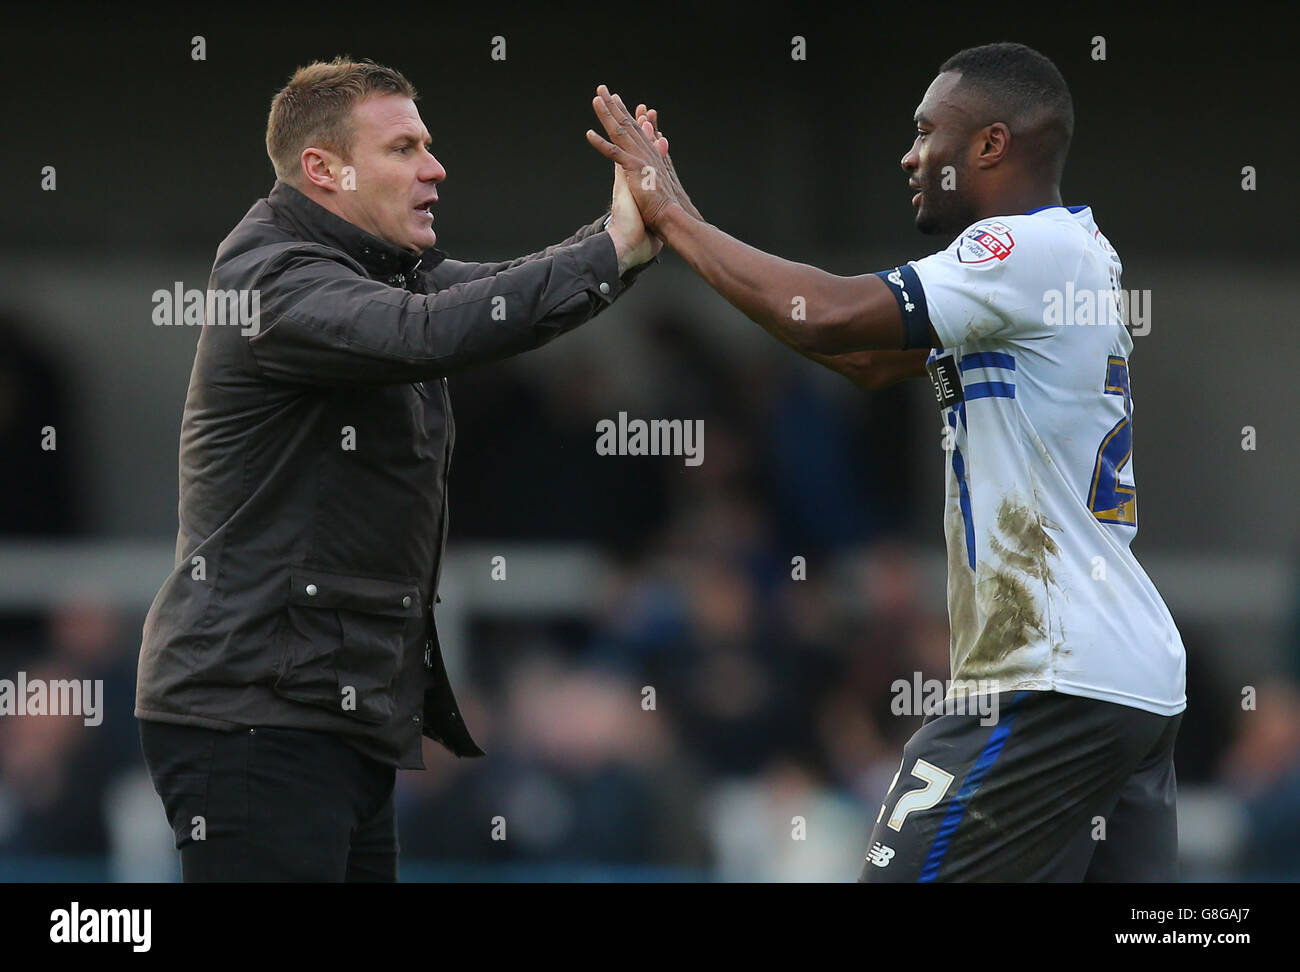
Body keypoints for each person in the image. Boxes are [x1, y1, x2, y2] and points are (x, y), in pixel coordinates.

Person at [588, 42, 1186, 882]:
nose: (910, 155)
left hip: (1048, 676)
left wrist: (673, 213)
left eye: (925, 132)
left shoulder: (1026, 252)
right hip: (1127, 685)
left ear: (989, 145)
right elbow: (862, 357)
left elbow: (826, 315)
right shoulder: (1069, 258)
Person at [135, 57, 658, 881]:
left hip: (326, 716)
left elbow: (493, 296)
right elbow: (431, 330)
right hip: (253, 716)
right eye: (404, 147)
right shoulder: (270, 274)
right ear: (324, 170)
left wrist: (621, 235)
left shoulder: (378, 270)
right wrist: (617, 246)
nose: (434, 166)